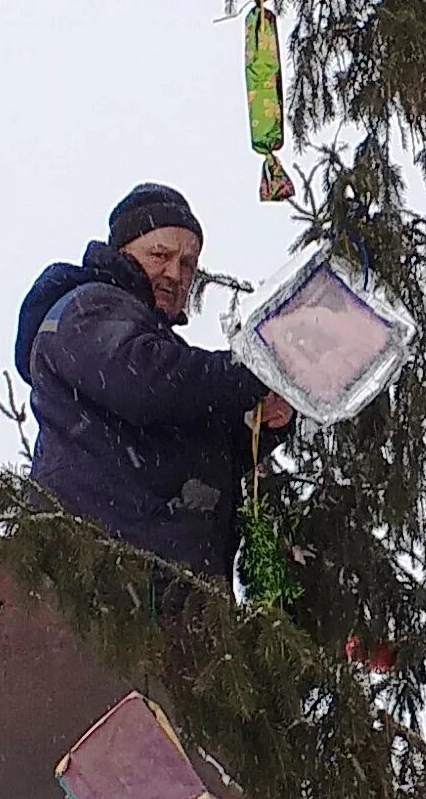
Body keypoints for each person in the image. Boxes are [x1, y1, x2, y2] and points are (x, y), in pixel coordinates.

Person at [15, 183, 293, 581]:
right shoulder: (87, 306)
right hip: (98, 580)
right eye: (160, 255)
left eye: (188, 265)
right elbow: (147, 383)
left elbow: (192, 440)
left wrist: (259, 424)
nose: (174, 274)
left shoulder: (159, 349)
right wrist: (249, 374)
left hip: (167, 593)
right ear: (121, 252)